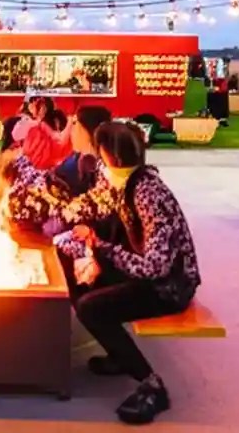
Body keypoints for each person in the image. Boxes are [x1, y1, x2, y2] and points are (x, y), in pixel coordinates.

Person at [52, 122, 201, 425]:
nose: (100, 161)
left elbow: (154, 268)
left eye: (102, 154)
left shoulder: (148, 193)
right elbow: (94, 203)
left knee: (91, 307)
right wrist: (60, 209)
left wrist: (101, 247)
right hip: (143, 271)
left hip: (168, 287)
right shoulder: (122, 182)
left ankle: (151, 384)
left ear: (113, 157)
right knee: (72, 264)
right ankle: (118, 353)